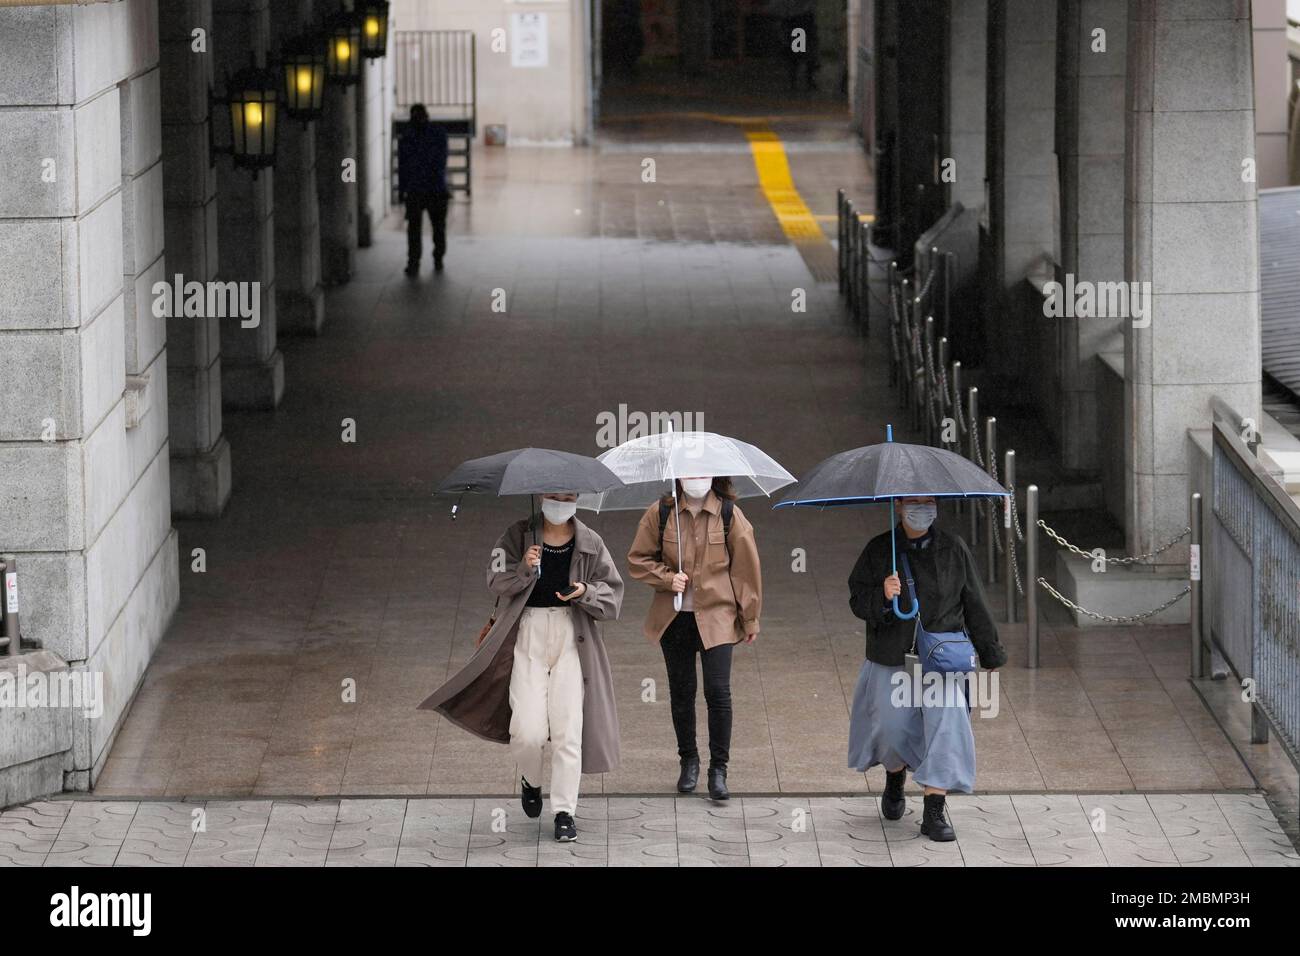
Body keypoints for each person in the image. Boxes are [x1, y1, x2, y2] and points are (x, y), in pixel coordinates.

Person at [417, 493, 624, 842]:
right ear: (542, 497)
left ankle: (564, 812)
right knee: (526, 730)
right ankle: (531, 779)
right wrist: (525, 567)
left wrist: (584, 591)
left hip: (573, 637)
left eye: (569, 497)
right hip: (527, 633)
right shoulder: (517, 535)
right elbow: (494, 579)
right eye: (555, 497)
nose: (562, 503)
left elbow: (613, 596)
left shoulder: (590, 542)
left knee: (568, 729)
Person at [847, 496, 1006, 841]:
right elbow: (857, 600)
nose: (923, 508)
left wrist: (990, 652)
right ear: (899, 506)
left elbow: (973, 598)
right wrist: (883, 596)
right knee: (890, 729)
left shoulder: (954, 548)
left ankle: (934, 810)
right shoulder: (879, 550)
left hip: (943, 656)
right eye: (914, 502)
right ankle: (895, 775)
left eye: (930, 501)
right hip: (893, 654)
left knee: (947, 726)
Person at [627, 477, 762, 801]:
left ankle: (719, 770)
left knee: (718, 692)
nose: (696, 478)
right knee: (682, 692)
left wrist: (750, 615)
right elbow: (638, 559)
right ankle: (689, 761)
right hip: (674, 619)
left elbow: (746, 568)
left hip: (718, 617)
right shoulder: (661, 512)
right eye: (690, 470)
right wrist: (667, 578)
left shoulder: (729, 514)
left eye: (703, 470)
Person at [398, 103, 450, 276]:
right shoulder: (438, 134)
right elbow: (441, 161)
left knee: (414, 230)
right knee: (438, 228)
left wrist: (402, 190)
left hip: (416, 189)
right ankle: (438, 259)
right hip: (435, 188)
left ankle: (414, 263)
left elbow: (403, 167)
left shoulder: (407, 137)